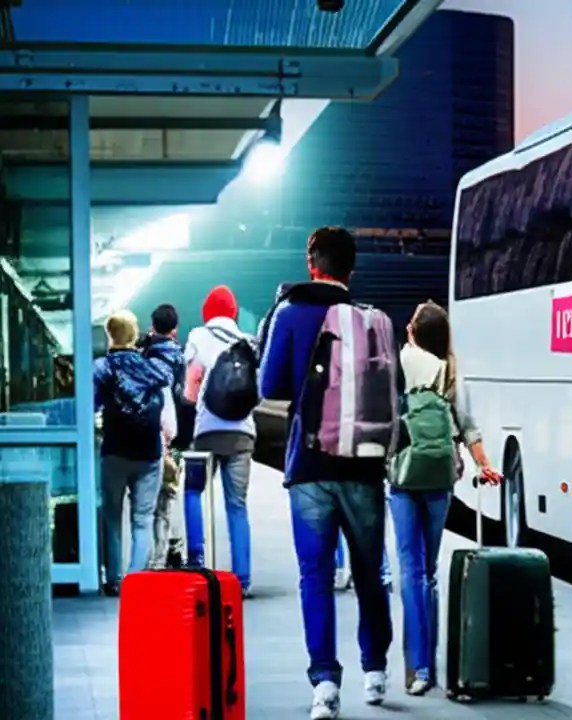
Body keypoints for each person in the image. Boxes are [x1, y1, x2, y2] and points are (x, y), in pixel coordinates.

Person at [258, 227, 394, 719]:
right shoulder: (373, 320)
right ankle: (376, 670)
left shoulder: (292, 313)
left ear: (311, 263)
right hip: (365, 465)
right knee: (368, 574)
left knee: (315, 575)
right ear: (351, 269)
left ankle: (325, 684)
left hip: (311, 466)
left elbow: (269, 385)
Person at [390, 300, 500, 696]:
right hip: (440, 476)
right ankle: (431, 665)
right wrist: (484, 464)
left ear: (412, 332)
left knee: (410, 568)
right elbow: (469, 425)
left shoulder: (399, 363)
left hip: (403, 474)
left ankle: (418, 666)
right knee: (430, 572)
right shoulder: (450, 369)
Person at [93, 310, 176, 597]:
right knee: (142, 518)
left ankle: (114, 580)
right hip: (148, 453)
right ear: (134, 334)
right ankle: (136, 581)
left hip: (114, 451)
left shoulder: (102, 368)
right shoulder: (149, 366)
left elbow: (90, 407)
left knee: (111, 516)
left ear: (110, 334)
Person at [183, 285, 257, 596]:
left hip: (207, 432)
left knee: (193, 491)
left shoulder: (198, 337)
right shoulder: (248, 342)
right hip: (242, 433)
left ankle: (197, 557)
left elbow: (190, 389)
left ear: (207, 311)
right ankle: (241, 577)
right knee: (237, 505)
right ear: (234, 312)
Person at [139, 303, 187, 570]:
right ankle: (173, 547)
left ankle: (156, 556)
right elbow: (181, 395)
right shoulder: (178, 356)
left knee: (152, 498)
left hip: (149, 431)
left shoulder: (144, 355)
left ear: (152, 325)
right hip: (171, 432)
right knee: (170, 492)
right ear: (175, 329)